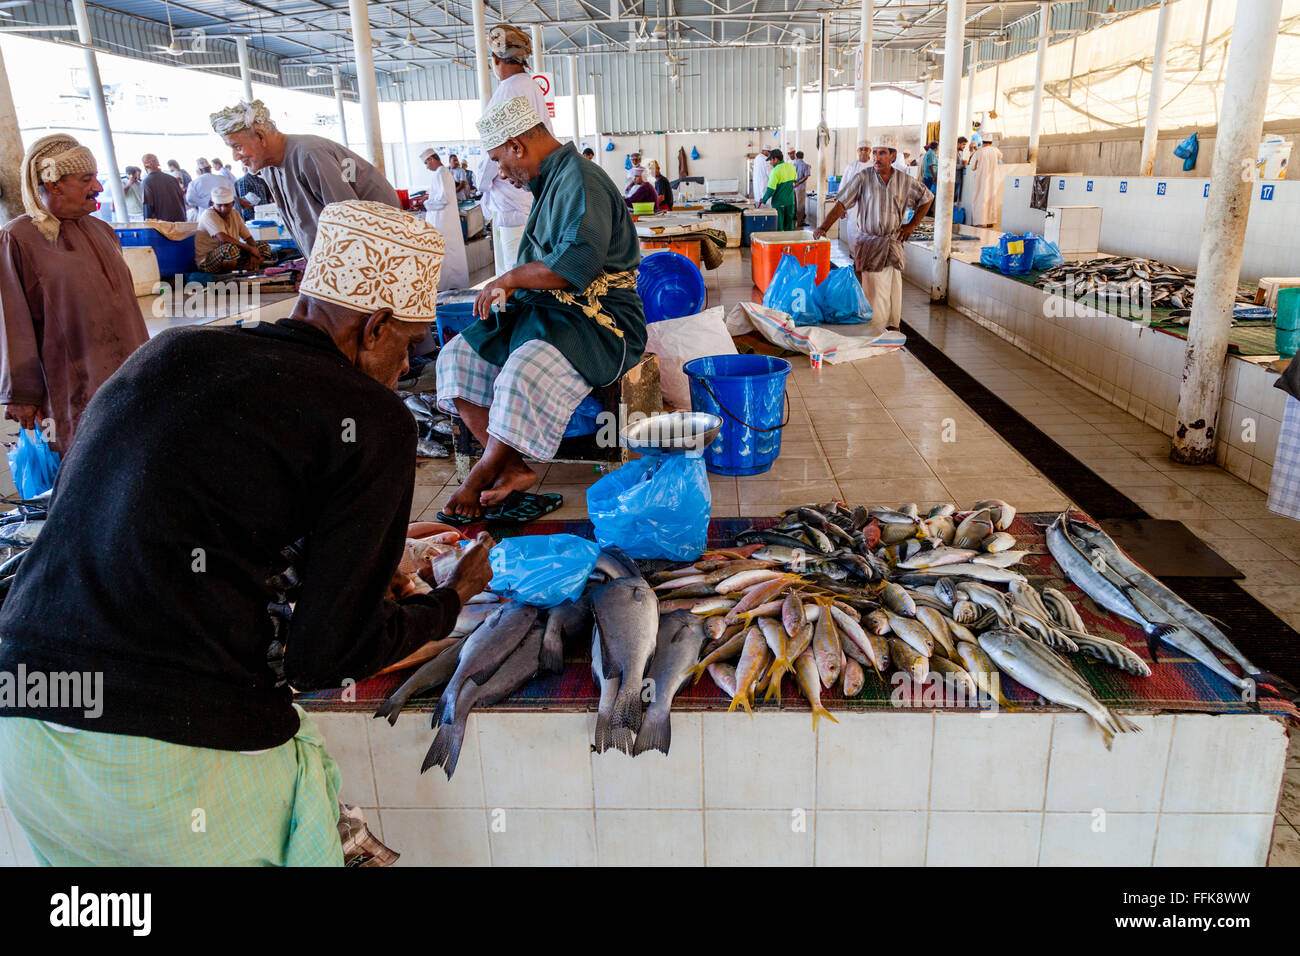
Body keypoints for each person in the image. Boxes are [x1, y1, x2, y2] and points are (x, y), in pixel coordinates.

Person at [0, 200, 496, 866]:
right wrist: (449, 601)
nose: (405, 368)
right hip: (177, 760)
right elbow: (325, 658)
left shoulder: (173, 352)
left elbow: (177, 515)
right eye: (407, 345)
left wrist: (375, 549)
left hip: (29, 732)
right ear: (375, 327)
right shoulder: (370, 415)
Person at [436, 96, 645, 525]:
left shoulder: (580, 180)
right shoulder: (553, 180)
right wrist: (511, 289)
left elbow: (576, 266)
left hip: (601, 320)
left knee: (523, 367)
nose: (500, 172)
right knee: (456, 357)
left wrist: (508, 280)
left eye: (498, 160)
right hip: (549, 311)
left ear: (516, 146)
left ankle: (480, 474)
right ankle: (513, 468)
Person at [0, 134, 150, 455]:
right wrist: (22, 394)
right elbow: (12, 322)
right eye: (86, 179)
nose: (98, 187)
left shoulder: (102, 230)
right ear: (54, 185)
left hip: (131, 374)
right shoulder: (18, 238)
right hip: (74, 385)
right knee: (89, 461)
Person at [211, 99, 399, 257]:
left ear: (260, 136)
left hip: (380, 250)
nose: (236, 157)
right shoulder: (269, 169)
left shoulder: (309, 154)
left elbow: (349, 222)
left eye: (237, 147)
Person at [812, 134, 933, 333]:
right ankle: (876, 331)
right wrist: (824, 227)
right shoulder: (863, 177)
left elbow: (927, 198)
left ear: (893, 156)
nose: (876, 157)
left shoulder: (904, 180)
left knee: (894, 288)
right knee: (875, 292)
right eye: (875, 153)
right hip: (870, 244)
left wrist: (911, 225)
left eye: (882, 153)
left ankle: (893, 328)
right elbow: (841, 202)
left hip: (893, 242)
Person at [474, 25, 553, 277]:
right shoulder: (532, 87)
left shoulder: (506, 91)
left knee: (512, 277)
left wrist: (481, 184)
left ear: (495, 60)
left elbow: (492, 153)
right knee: (528, 270)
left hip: (510, 202)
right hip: (531, 199)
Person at [419, 148, 470, 289]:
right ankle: (451, 284)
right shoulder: (443, 173)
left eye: (426, 163)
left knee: (447, 254)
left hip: (443, 221)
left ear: (431, 159)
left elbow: (443, 199)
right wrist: (429, 198)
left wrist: (425, 203)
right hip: (445, 220)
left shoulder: (441, 173)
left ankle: (448, 286)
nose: (426, 166)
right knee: (449, 253)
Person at [195, 185, 272, 273]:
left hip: (232, 257)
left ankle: (247, 266)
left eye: (227, 205)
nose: (223, 209)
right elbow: (223, 238)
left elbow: (248, 238)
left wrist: (253, 254)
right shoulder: (208, 214)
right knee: (230, 249)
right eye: (219, 205)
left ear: (233, 203)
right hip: (207, 262)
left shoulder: (235, 214)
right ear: (212, 203)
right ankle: (239, 270)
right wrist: (250, 249)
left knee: (263, 246)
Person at [839, 142, 872, 251]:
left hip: (870, 205)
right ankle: (854, 254)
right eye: (861, 149)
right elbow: (843, 187)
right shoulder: (851, 167)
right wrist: (840, 207)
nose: (863, 151)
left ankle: (865, 255)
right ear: (857, 151)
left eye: (866, 149)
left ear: (870, 151)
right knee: (852, 228)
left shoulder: (874, 166)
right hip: (853, 205)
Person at [966, 134, 1004, 228]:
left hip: (981, 180)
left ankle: (981, 222)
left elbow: (972, 166)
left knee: (980, 200)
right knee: (991, 199)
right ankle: (991, 221)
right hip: (993, 179)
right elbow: (1000, 156)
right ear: (991, 142)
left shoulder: (979, 152)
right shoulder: (995, 151)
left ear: (982, 142)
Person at [141, 153, 188, 222]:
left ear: (145, 166)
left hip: (163, 226)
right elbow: (182, 201)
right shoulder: (172, 179)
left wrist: (147, 225)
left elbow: (148, 208)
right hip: (179, 222)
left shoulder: (147, 182)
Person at [760, 148, 797, 231]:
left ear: (776, 159)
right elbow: (794, 181)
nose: (770, 162)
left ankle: (780, 243)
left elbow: (771, 190)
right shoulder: (791, 167)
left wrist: (764, 200)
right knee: (789, 226)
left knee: (779, 227)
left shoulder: (775, 171)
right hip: (790, 202)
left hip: (779, 203)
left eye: (771, 160)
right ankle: (789, 243)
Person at [792, 150, 811, 228]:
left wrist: (794, 183)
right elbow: (806, 176)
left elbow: (791, 175)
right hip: (801, 188)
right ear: (803, 157)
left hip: (793, 187)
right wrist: (798, 183)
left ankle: (794, 221)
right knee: (801, 205)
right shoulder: (806, 165)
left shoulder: (793, 164)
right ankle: (800, 222)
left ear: (796, 157)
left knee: (795, 204)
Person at [955, 136, 969, 202]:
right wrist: (963, 165)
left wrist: (962, 162)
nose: (964, 146)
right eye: (963, 144)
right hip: (955, 180)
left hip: (957, 179)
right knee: (953, 199)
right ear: (958, 143)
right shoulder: (954, 153)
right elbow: (953, 166)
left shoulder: (958, 153)